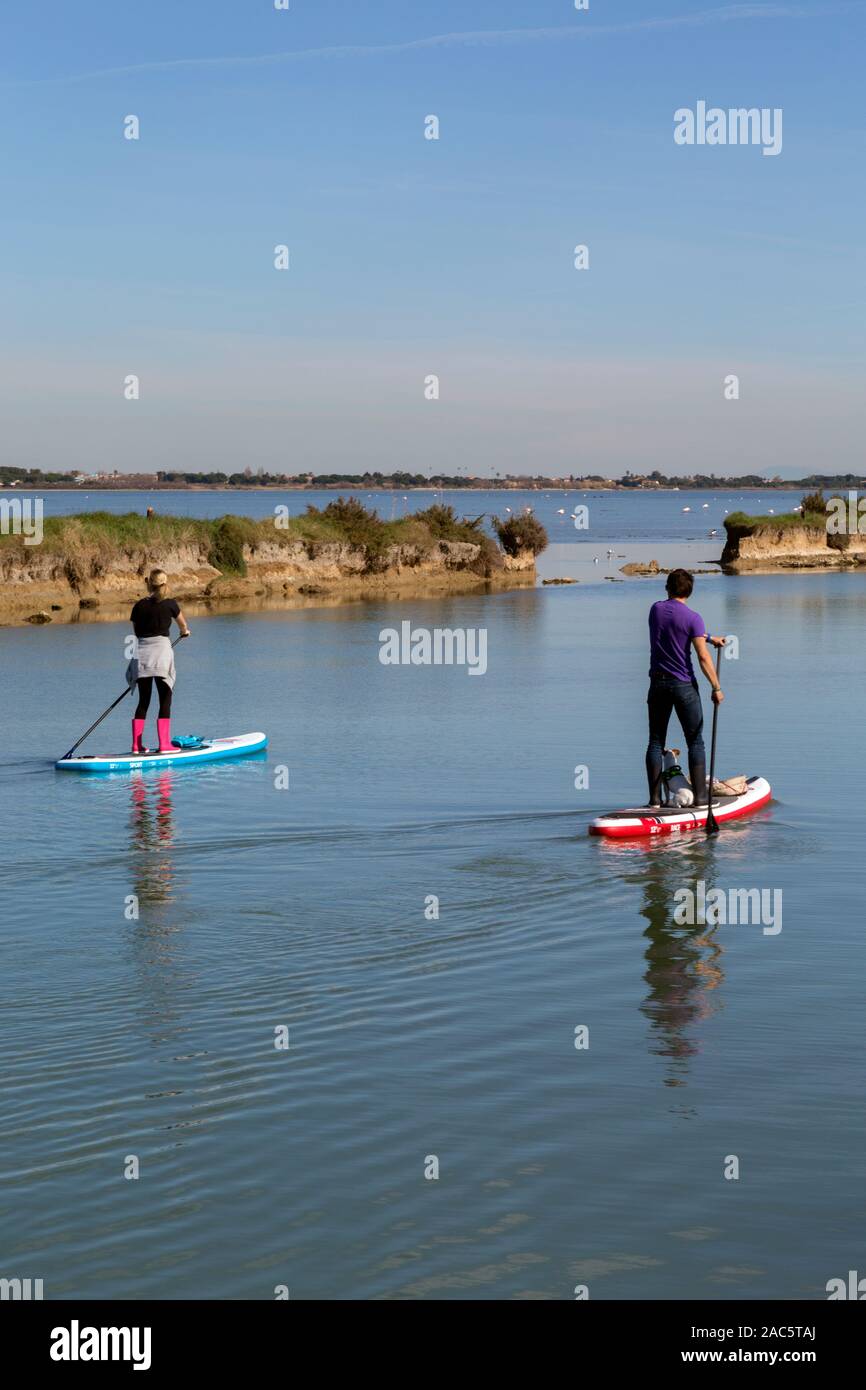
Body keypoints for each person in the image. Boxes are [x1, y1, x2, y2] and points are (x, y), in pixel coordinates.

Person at [646, 569, 725, 806]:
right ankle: (701, 799)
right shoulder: (693, 617)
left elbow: (675, 628)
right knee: (695, 741)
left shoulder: (655, 610)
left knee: (655, 741)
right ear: (689, 591)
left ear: (667, 588)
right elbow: (703, 657)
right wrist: (716, 687)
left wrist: (708, 636)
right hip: (683, 686)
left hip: (657, 684)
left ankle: (654, 800)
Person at [127, 570, 190, 753]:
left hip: (142, 655)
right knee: (165, 699)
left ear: (149, 584)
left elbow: (136, 632)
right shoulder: (170, 604)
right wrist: (184, 632)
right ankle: (164, 745)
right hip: (162, 654)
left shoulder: (138, 606)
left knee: (143, 701)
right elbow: (183, 626)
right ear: (165, 584)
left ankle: (136, 746)